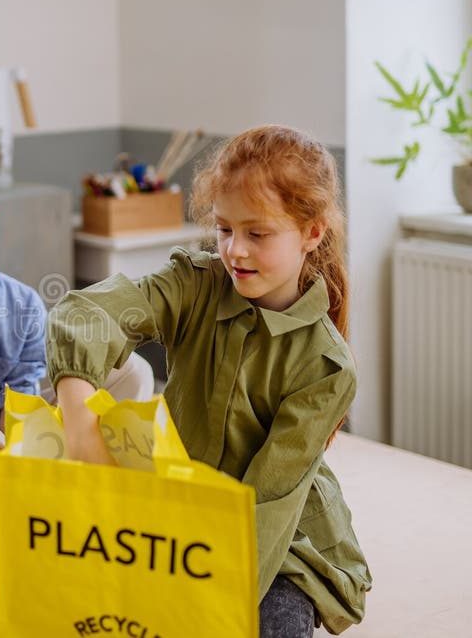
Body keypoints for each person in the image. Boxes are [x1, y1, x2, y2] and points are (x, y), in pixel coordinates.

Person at [46, 125, 371, 636]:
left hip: (279, 546)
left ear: (312, 233)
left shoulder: (326, 368)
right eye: (223, 230)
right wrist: (79, 408)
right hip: (178, 512)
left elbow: (263, 512)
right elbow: (87, 311)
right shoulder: (195, 284)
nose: (235, 251)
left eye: (257, 234)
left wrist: (196, 602)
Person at [0, 150, 154, 476]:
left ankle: (95, 468)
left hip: (5, 423)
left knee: (135, 370)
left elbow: (21, 391)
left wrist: (10, 451)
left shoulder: (23, 302)